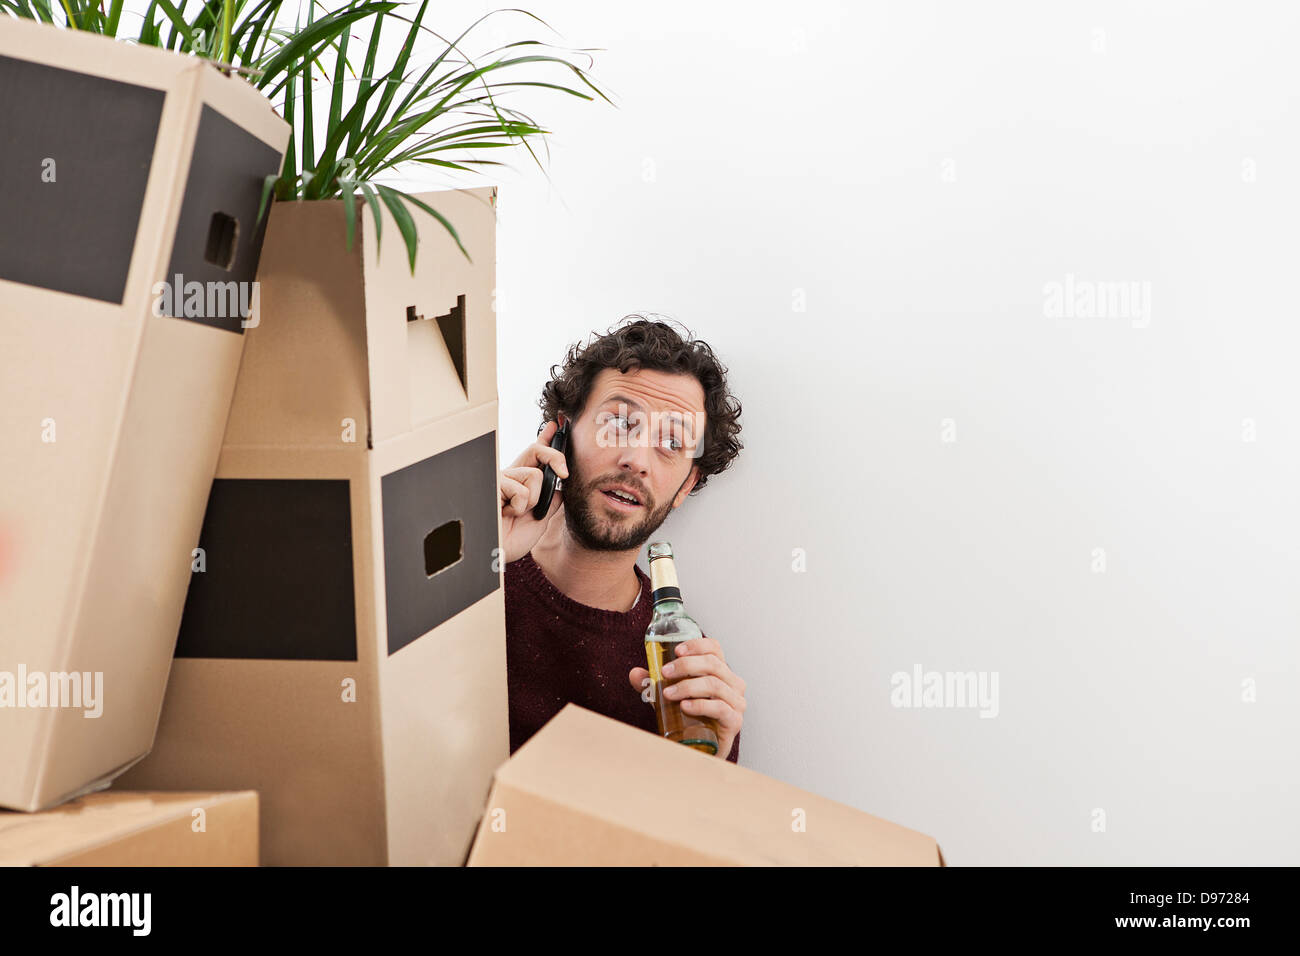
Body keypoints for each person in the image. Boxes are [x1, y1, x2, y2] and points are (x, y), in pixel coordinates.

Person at [498, 316, 747, 762]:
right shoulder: (477, 569)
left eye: (671, 442)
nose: (636, 460)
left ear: (685, 485)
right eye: (618, 424)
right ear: (561, 434)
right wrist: (481, 558)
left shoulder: (677, 667)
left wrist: (712, 768)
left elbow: (684, 829)